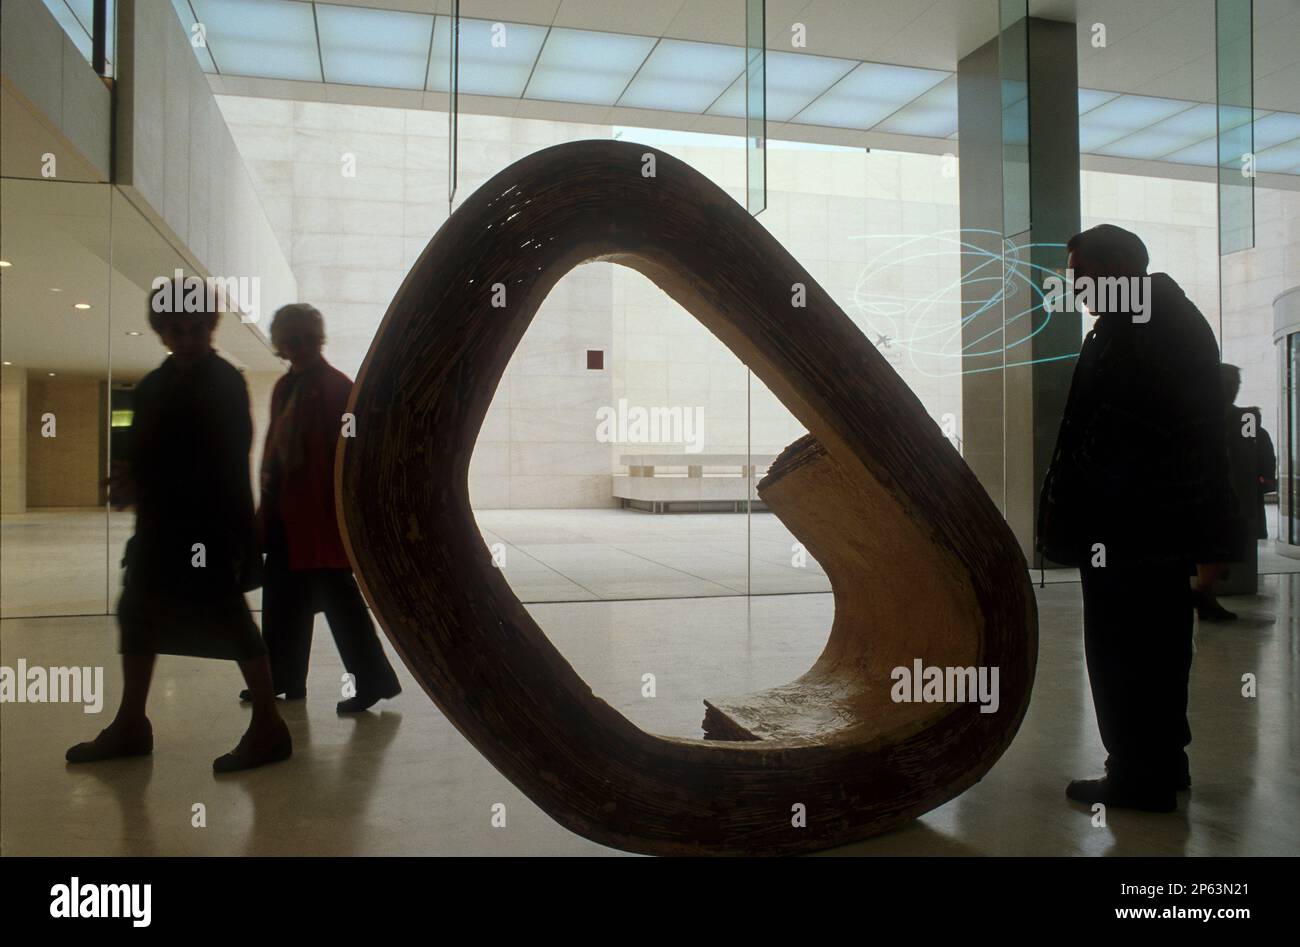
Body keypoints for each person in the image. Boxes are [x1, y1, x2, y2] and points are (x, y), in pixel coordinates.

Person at [1039, 224, 1232, 812]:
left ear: (1116, 271)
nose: (1076, 290)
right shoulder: (1156, 322)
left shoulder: (1141, 332)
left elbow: (1127, 435)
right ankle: (1161, 761)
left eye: (1082, 277)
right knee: (1158, 644)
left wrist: (1088, 496)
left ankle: (1137, 773)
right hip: (1151, 526)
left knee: (1126, 646)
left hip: (1129, 526)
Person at [67, 279, 292, 773]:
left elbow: (222, 466)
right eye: (175, 329)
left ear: (210, 326)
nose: (186, 337)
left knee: (232, 623)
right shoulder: (152, 386)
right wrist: (131, 484)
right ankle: (131, 721)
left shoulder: (224, 384)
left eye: (195, 328)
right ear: (161, 332)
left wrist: (238, 541)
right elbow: (141, 456)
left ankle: (269, 726)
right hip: (159, 529)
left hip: (208, 530)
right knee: (138, 616)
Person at [244, 303, 401, 713]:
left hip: (320, 522)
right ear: (280, 344)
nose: (299, 347)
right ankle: (284, 677)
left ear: (318, 340)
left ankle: (369, 680)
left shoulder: (335, 387)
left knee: (339, 605)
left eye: (306, 339)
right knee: (283, 602)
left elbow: (351, 460)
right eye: (291, 340)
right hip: (288, 517)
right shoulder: (286, 387)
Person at [1192, 364, 1278, 621]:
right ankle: (1204, 592)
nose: (1234, 389)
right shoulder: (1238, 418)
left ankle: (1205, 594)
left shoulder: (1219, 418)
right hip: (1218, 491)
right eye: (1231, 384)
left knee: (1217, 548)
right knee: (1220, 546)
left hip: (1214, 490)